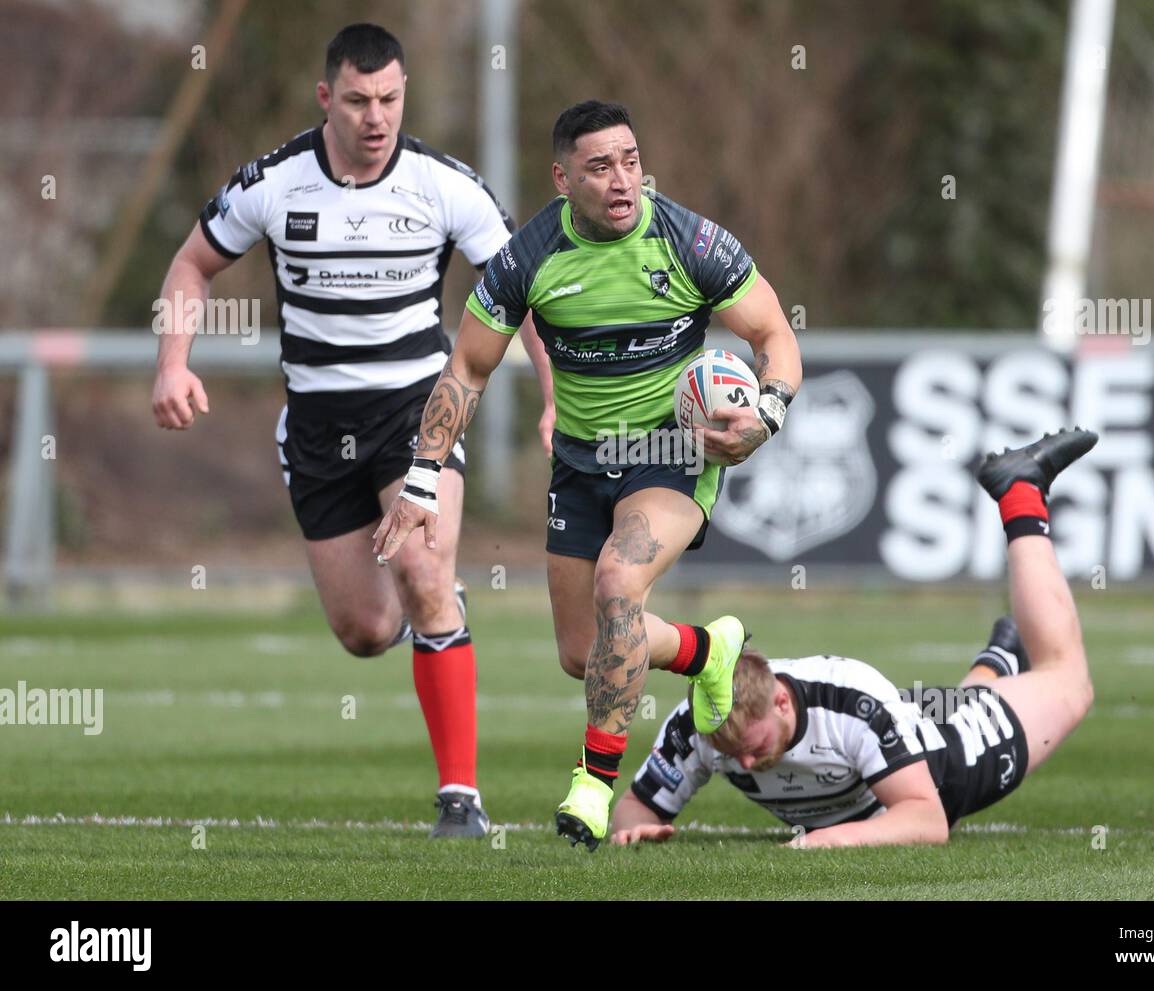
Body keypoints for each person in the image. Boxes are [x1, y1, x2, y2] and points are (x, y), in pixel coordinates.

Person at [150, 23, 547, 838]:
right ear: (327, 97)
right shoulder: (274, 182)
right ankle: (433, 607)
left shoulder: (445, 186)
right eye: (360, 100)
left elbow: (523, 290)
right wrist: (173, 362)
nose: (377, 116)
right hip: (319, 425)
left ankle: (460, 797)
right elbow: (192, 263)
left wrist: (554, 398)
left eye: (392, 99)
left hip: (417, 411)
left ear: (405, 95)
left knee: (422, 569)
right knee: (366, 631)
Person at [372, 100, 803, 851]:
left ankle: (594, 785)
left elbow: (775, 335)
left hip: (673, 456)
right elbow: (468, 368)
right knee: (585, 651)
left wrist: (766, 412)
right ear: (562, 176)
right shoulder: (529, 257)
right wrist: (421, 477)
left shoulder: (689, 240)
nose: (621, 179)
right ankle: (708, 650)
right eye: (600, 166)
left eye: (631, 160)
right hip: (579, 463)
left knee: (618, 587)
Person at [610, 428, 1098, 848]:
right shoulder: (703, 722)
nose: (742, 762)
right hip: (892, 727)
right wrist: (637, 828)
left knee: (1068, 679)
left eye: (752, 750)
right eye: (731, 752)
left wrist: (831, 837)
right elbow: (636, 806)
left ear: (781, 702)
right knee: (939, 706)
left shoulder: (848, 698)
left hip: (945, 761)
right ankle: (997, 659)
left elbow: (926, 819)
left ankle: (1020, 490)